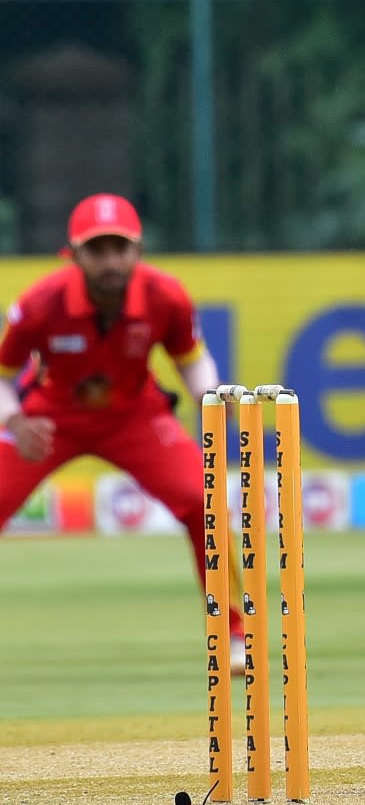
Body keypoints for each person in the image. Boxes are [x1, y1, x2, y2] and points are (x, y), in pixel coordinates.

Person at [0, 193, 246, 673]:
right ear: (73, 253)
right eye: (97, 250)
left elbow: (192, 362)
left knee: (204, 502)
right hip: (50, 417)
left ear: (138, 248)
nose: (110, 261)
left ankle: (234, 632)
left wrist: (210, 398)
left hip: (135, 415)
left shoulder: (165, 295)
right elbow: (3, 374)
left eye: (120, 248)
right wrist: (14, 422)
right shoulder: (39, 304)